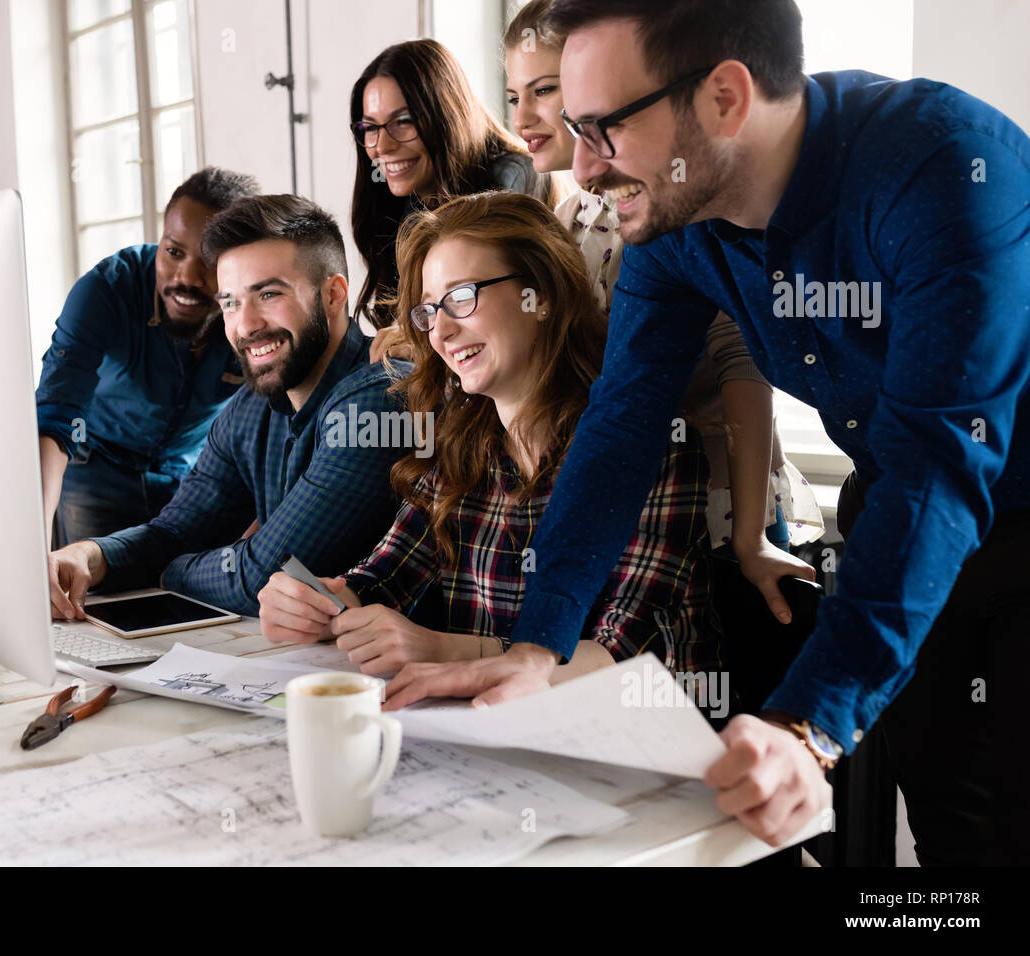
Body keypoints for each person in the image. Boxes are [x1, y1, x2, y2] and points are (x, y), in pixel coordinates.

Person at [386, 0, 1030, 864]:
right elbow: (620, 429)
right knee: (954, 817)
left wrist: (807, 724)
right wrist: (540, 645)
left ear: (725, 98)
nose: (582, 166)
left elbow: (940, 466)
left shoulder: (943, 165)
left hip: (974, 492)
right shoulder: (673, 220)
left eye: (604, 129)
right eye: (573, 128)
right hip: (905, 505)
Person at [258, 191, 720, 689]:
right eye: (430, 309)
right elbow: (385, 577)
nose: (443, 330)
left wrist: (443, 649)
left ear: (540, 293)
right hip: (491, 738)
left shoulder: (655, 445)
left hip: (643, 745)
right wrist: (321, 604)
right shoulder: (462, 442)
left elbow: (627, 653)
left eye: (462, 297)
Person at [503, 0, 821, 626]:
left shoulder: (680, 206)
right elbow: (613, 403)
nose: (526, 116)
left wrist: (752, 536)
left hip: (721, 496)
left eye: (547, 90)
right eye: (515, 94)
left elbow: (742, 367)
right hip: (640, 492)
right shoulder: (572, 219)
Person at [46, 195, 412, 619]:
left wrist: (166, 572)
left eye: (269, 294)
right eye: (230, 302)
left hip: (409, 669)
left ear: (333, 295)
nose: (246, 325)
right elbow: (176, 531)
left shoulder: (379, 402)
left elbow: (260, 577)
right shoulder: (250, 408)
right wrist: (88, 556)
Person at [35, 167, 258, 546]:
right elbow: (58, 415)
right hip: (95, 468)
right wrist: (35, 537)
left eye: (207, 258)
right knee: (95, 601)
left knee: (189, 600)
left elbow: (283, 416)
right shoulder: (105, 290)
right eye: (173, 252)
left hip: (191, 479)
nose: (185, 277)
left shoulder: (254, 311)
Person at [349, 38, 558, 330]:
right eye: (370, 128)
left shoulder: (516, 175)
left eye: (404, 122)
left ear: (445, 115)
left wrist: (414, 341)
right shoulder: (400, 201)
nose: (381, 146)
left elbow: (505, 317)